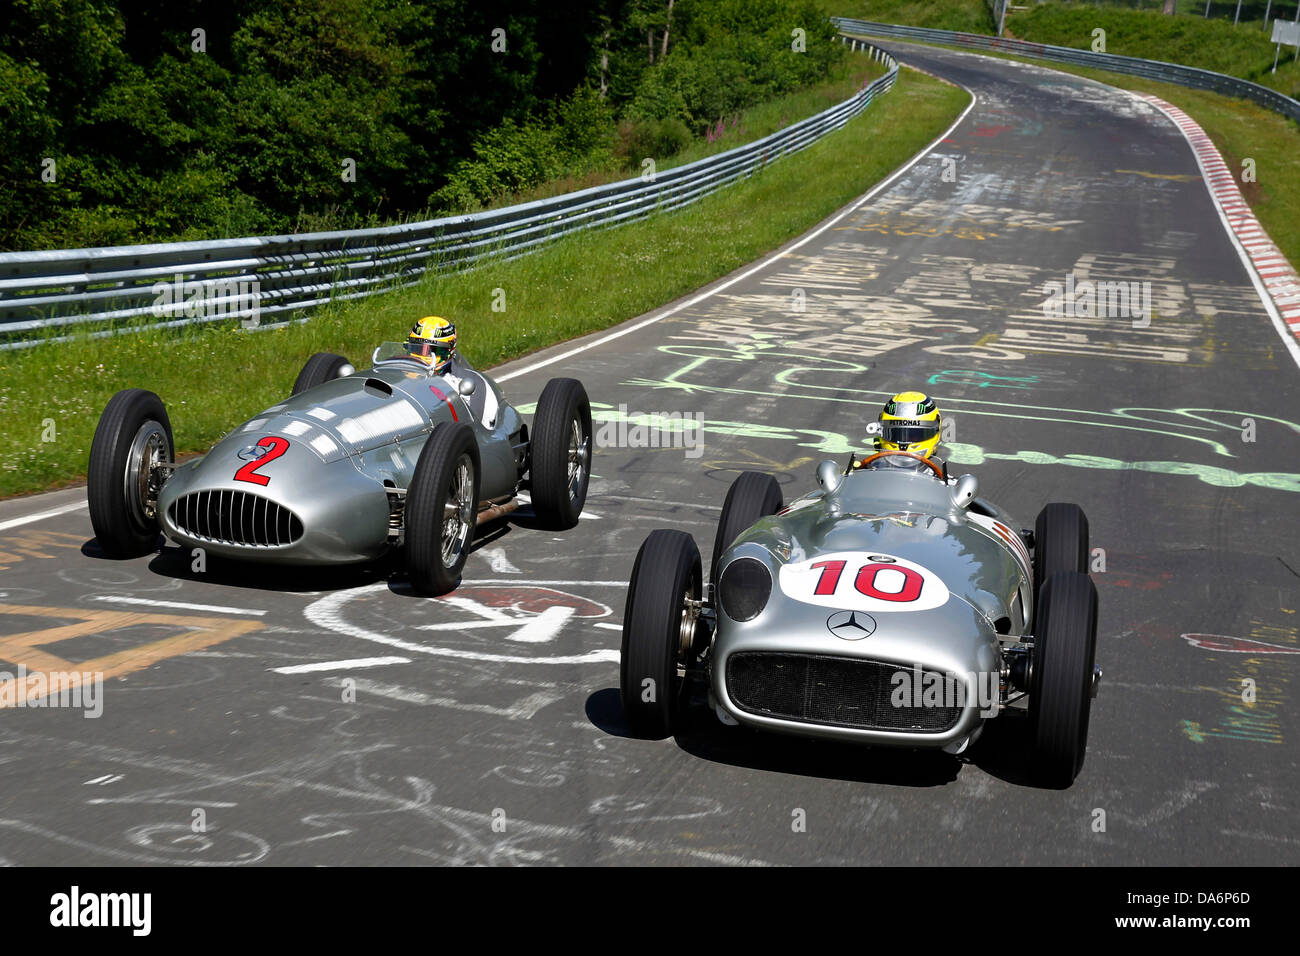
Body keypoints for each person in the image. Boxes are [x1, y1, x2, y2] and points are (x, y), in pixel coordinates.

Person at [854, 390, 948, 478]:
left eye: (914, 435)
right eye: (895, 434)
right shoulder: (947, 485)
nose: (904, 444)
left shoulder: (859, 474)